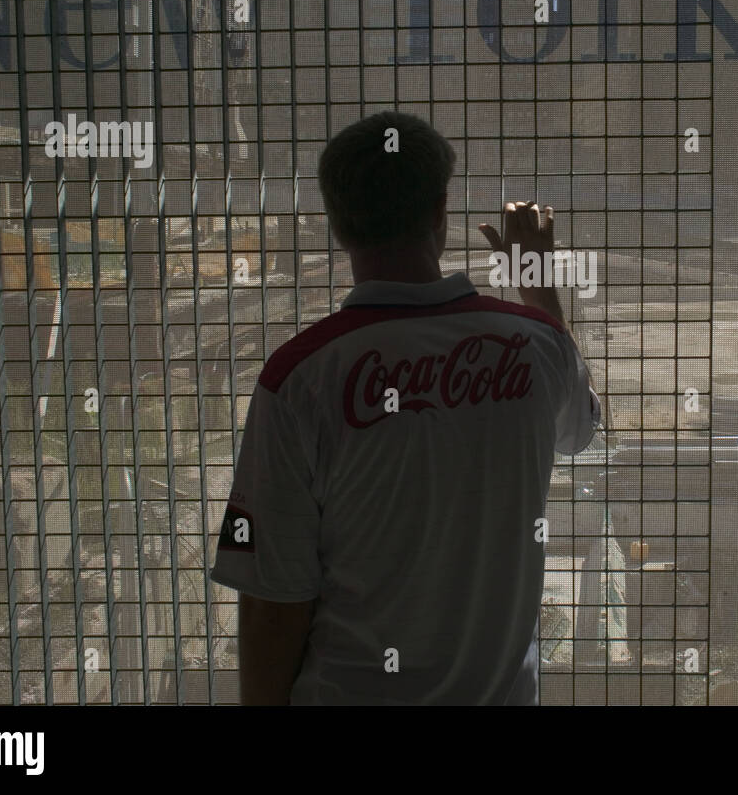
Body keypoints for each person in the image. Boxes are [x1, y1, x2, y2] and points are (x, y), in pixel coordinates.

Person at [209, 109, 601, 704]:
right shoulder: (535, 345)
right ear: (440, 211)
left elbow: (272, 602)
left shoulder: (300, 377)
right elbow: (582, 431)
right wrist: (536, 279)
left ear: (339, 229)